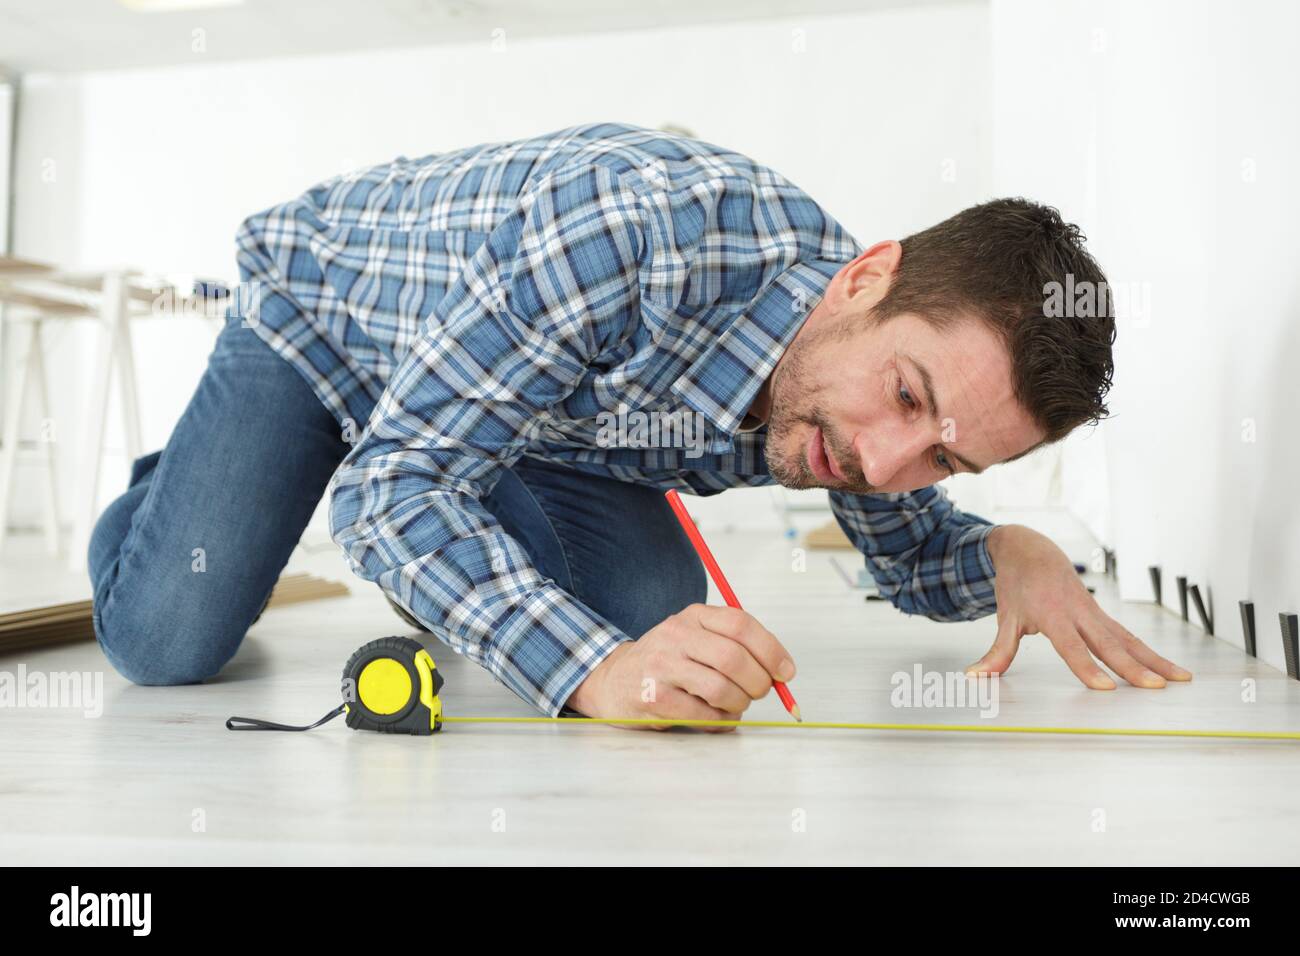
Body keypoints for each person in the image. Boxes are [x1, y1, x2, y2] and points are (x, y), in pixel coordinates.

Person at [88, 122, 1190, 729]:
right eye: (906, 399)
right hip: (331, 320)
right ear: (864, 278)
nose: (885, 463)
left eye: (944, 454)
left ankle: (436, 478)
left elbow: (904, 552)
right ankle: (185, 484)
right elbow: (386, 495)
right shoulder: (636, 233)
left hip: (533, 421)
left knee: (657, 619)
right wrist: (584, 674)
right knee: (167, 641)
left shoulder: (859, 390)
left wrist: (1004, 554)